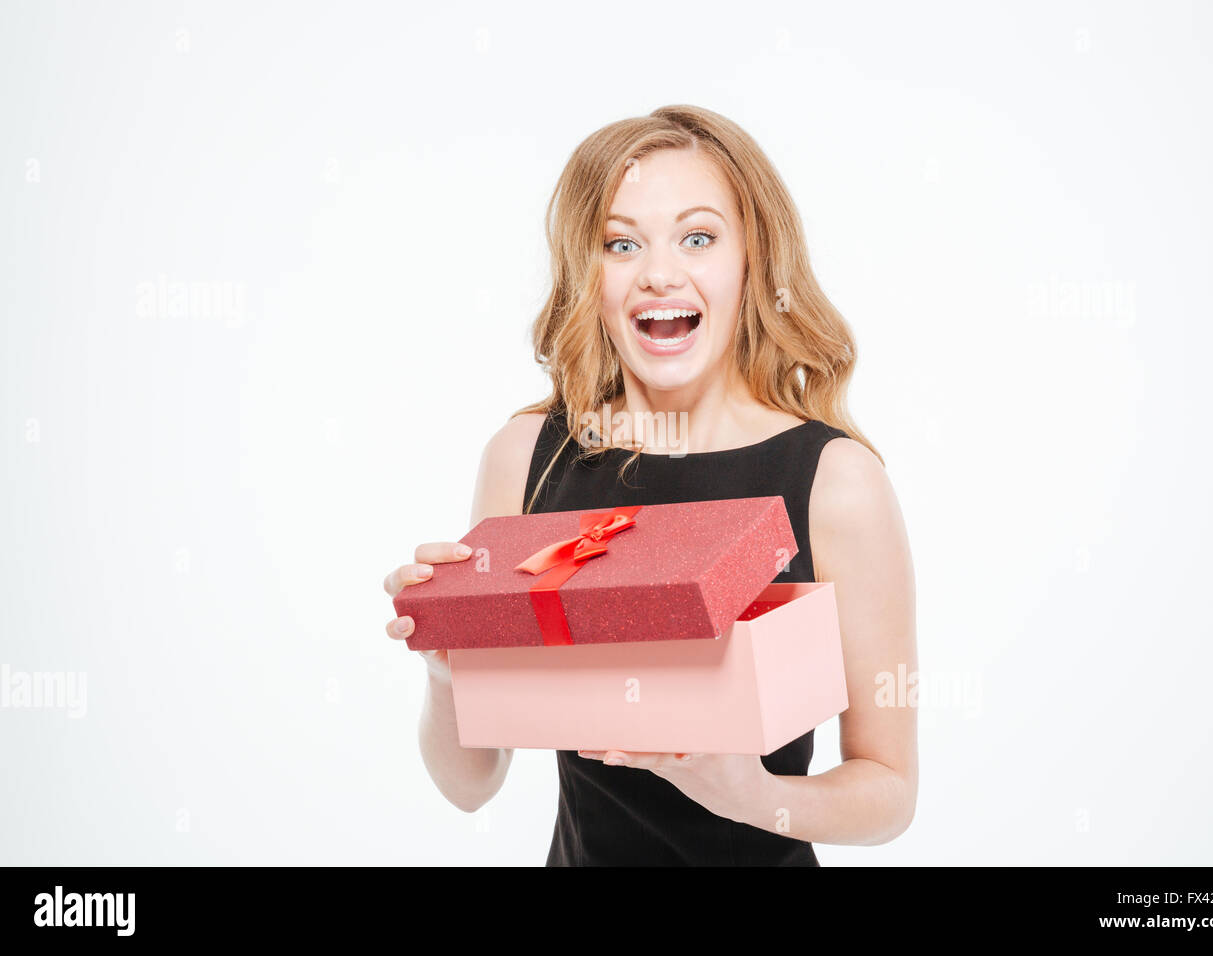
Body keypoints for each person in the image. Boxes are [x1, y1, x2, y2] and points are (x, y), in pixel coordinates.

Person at [382, 105, 917, 865]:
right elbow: (470, 786)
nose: (660, 273)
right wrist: (446, 668)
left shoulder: (836, 484)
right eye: (621, 243)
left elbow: (890, 791)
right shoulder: (525, 459)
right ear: (587, 273)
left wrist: (752, 796)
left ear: (752, 260)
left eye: (698, 238)